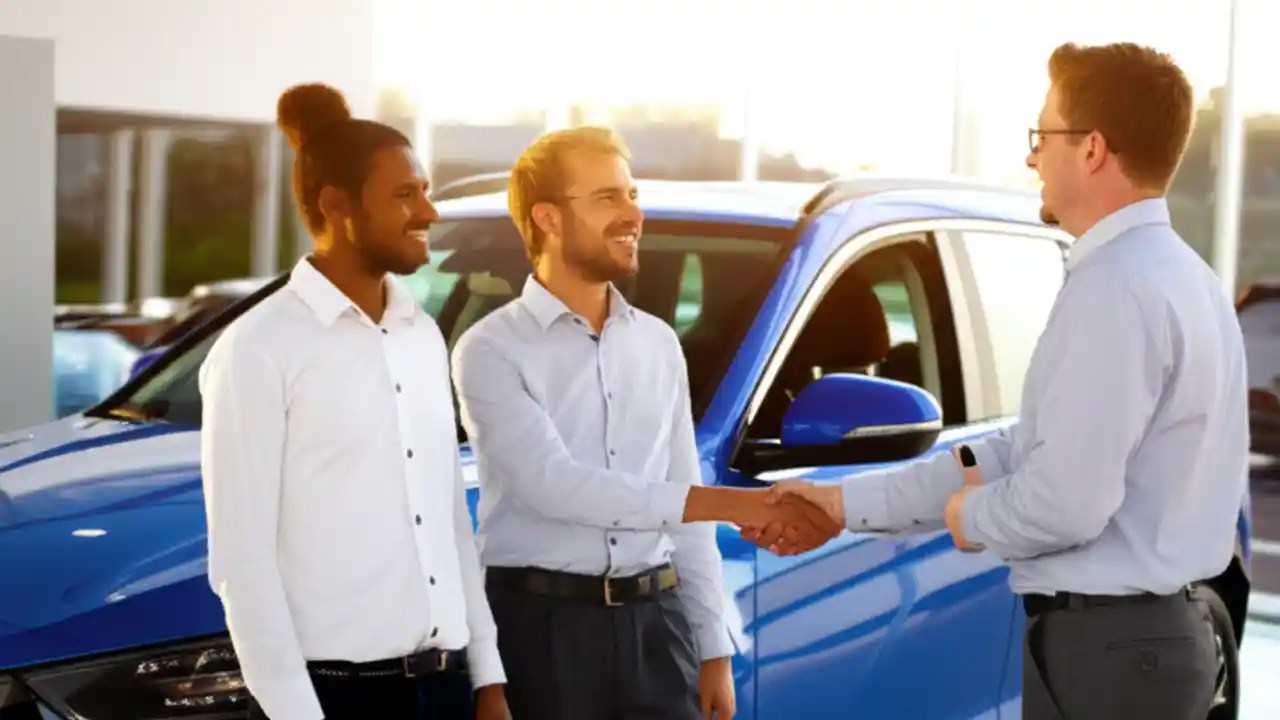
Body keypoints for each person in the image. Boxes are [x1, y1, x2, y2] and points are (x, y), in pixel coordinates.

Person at [747, 42, 1248, 719]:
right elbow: (1026, 450)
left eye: (1043, 135)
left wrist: (968, 517)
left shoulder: (1116, 290)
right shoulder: (1181, 276)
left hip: (1112, 653)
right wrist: (842, 504)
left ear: (1093, 149)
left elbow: (1065, 504)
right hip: (1135, 645)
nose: (1031, 156)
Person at [451, 126, 838, 719]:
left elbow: (684, 506)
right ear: (548, 218)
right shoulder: (490, 349)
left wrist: (712, 650)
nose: (633, 212)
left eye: (632, 195)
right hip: (542, 636)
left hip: (659, 630)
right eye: (608, 197)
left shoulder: (658, 344)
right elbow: (558, 486)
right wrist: (742, 505)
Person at [199, 83, 509, 720]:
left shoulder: (422, 335)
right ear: (336, 204)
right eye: (404, 194)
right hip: (332, 698)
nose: (429, 211)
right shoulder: (258, 348)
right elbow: (242, 560)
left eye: (424, 190)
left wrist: (488, 679)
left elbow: (451, 522)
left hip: (444, 688)